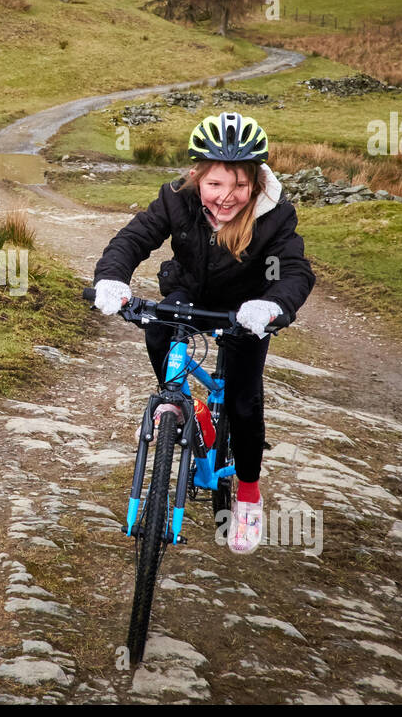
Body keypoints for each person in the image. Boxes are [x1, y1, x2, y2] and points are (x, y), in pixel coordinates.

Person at [92, 112, 316, 554]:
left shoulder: (276, 215)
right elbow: (134, 238)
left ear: (255, 180)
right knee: (157, 325)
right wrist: (112, 279)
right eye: (215, 184)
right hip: (188, 293)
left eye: (238, 185)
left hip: (245, 310)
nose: (226, 197)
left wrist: (271, 305)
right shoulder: (176, 199)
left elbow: (294, 270)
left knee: (244, 401)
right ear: (197, 177)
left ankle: (249, 493)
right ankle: (177, 400)